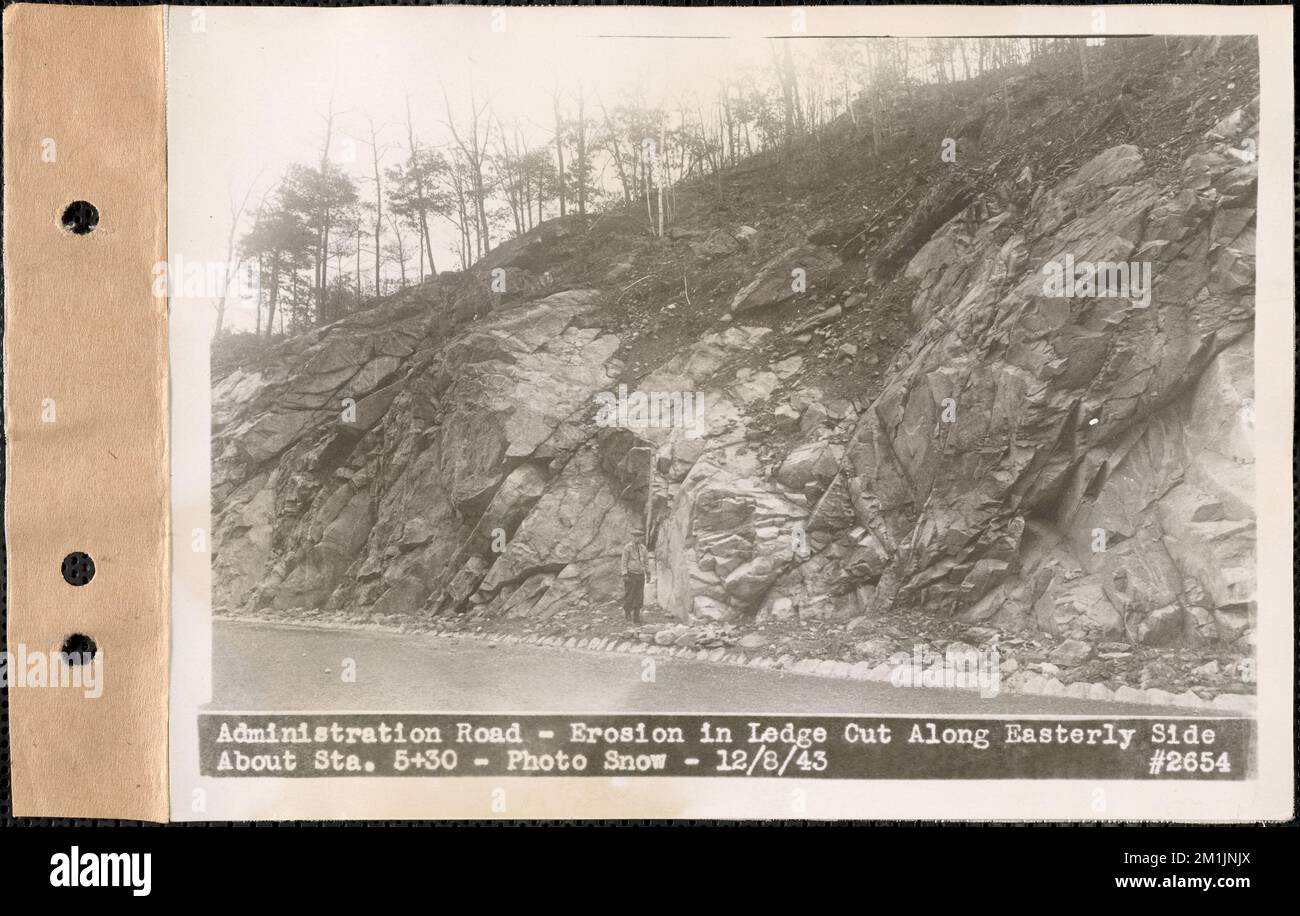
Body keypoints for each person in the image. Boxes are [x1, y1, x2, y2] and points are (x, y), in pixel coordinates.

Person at [620, 528, 651, 625]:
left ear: (641, 537)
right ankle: (627, 614)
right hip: (631, 574)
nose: (637, 538)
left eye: (639, 536)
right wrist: (624, 574)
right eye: (635, 536)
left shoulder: (643, 548)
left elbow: (646, 562)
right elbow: (624, 561)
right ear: (632, 537)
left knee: (639, 595)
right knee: (630, 594)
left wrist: (648, 573)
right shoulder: (627, 548)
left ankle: (636, 616)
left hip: (640, 575)